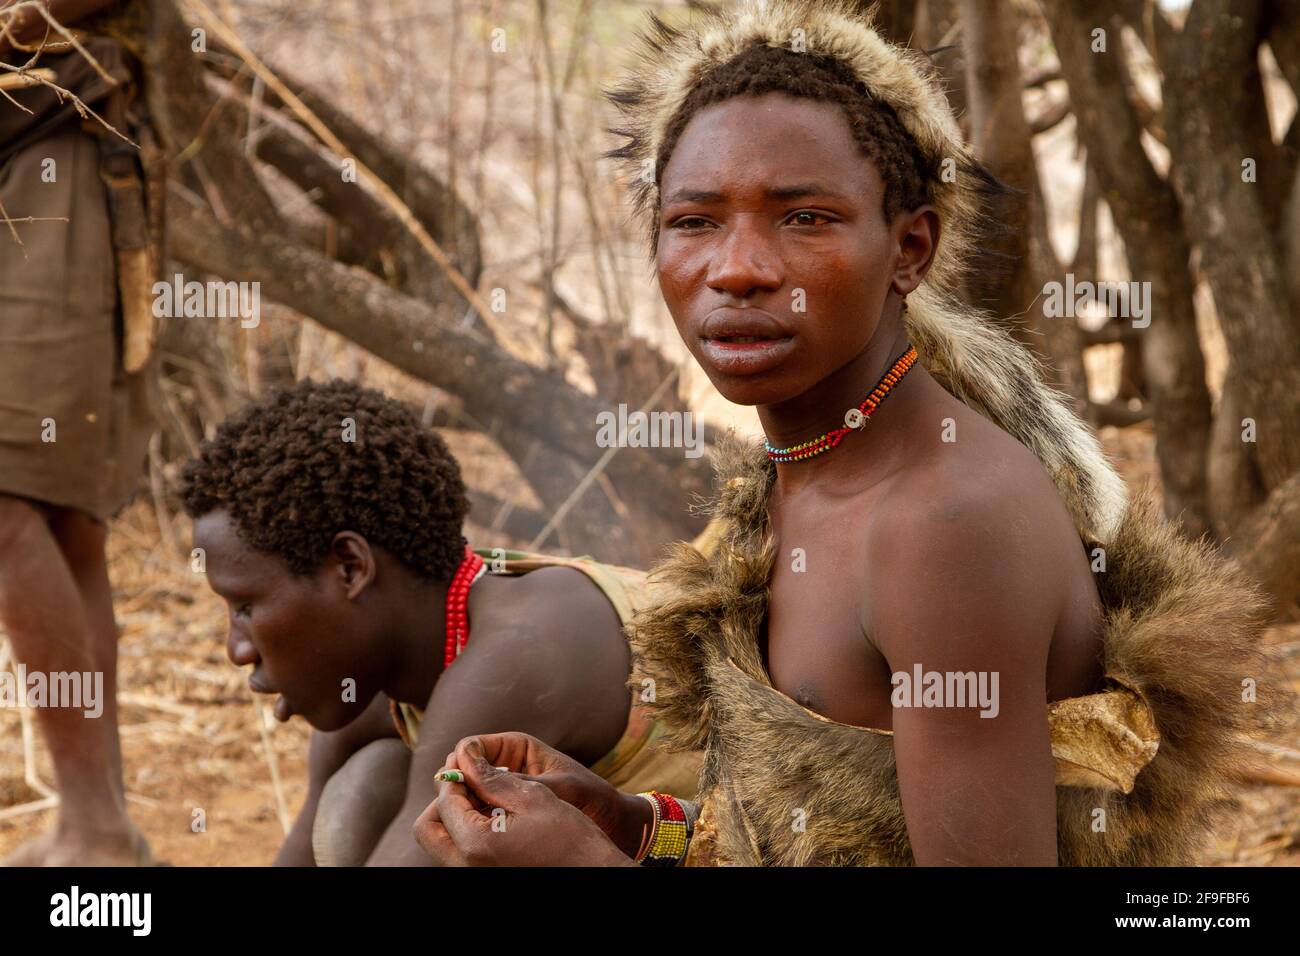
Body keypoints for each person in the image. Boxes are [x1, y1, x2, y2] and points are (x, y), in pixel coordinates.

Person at [413, 0, 1273, 867]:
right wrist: (629, 825)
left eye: (804, 218)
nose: (737, 268)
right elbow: (828, 825)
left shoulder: (946, 524)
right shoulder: (795, 475)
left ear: (911, 250)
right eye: (694, 221)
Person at [180, 378, 700, 866]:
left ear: (351, 568)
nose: (237, 649)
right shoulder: (365, 692)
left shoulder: (522, 651)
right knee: (360, 792)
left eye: (245, 607)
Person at [0, 0, 159, 866]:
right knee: (61, 519)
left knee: (18, 496)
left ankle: (95, 819)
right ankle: (97, 821)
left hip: (52, 145)